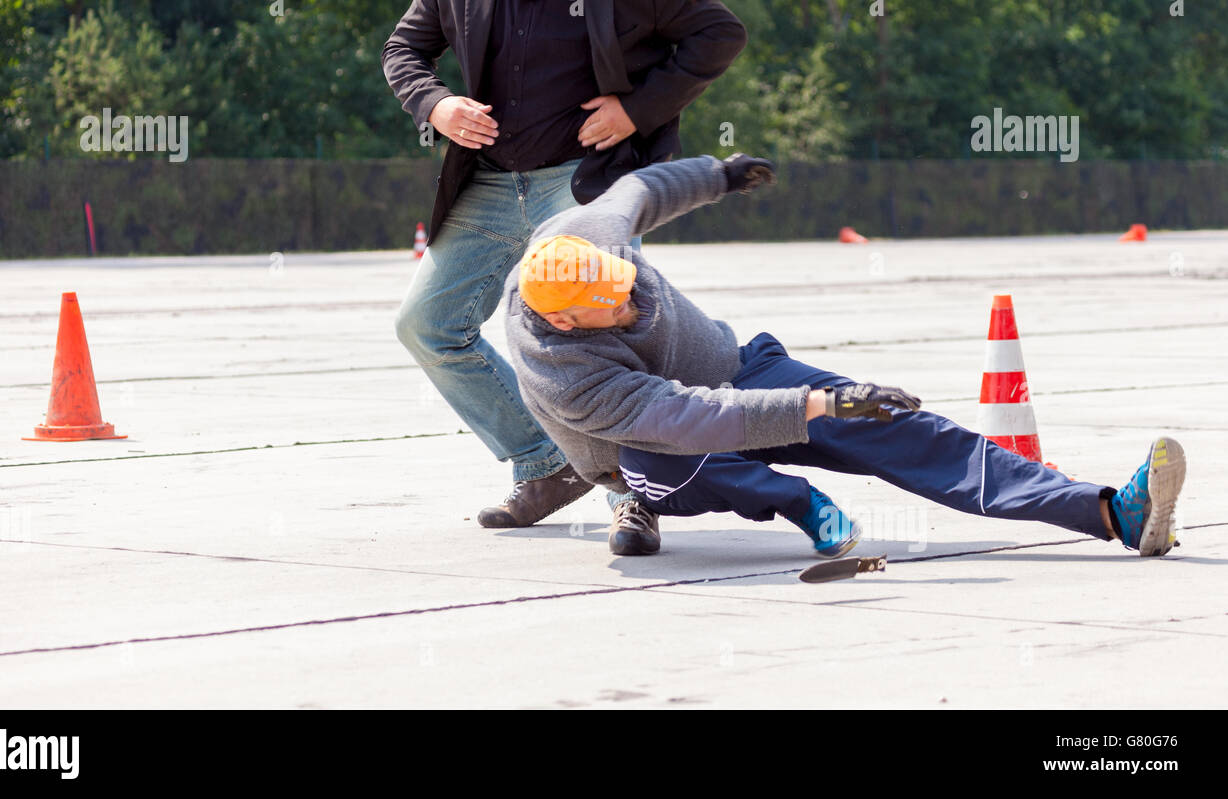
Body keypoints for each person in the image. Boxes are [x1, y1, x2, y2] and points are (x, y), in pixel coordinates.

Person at [503, 153, 1188, 559]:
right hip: (645, 447)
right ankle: (798, 505)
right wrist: (821, 406)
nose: (628, 300)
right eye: (611, 307)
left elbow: (642, 189)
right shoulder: (565, 372)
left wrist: (718, 174)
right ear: (563, 318)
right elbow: (689, 417)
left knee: (905, 429)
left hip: (738, 369)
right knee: (670, 455)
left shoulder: (588, 239)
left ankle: (1110, 513)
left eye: (624, 283)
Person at [381, 0, 747, 549]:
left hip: (581, 186)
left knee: (602, 336)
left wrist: (637, 111)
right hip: (487, 182)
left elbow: (719, 34)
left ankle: (635, 493)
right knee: (426, 325)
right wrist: (435, 104)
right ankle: (548, 462)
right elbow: (405, 49)